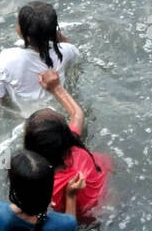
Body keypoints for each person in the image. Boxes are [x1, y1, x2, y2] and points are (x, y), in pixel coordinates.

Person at [25, 69, 112, 222]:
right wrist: (56, 88)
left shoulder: (45, 186)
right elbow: (77, 114)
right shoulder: (74, 147)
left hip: (82, 219)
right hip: (106, 198)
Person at [0, 1, 80, 108]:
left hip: (27, 117)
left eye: (17, 24)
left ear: (26, 35)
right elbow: (71, 52)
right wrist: (51, 33)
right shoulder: (68, 51)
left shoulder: (7, 58)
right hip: (63, 108)